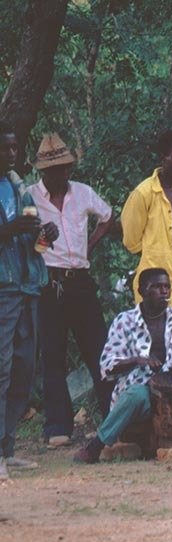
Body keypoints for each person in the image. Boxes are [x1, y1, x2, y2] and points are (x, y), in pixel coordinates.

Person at [27, 133, 115, 445]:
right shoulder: (30, 198)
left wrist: (89, 245)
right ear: (41, 172)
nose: (57, 175)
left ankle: (113, 417)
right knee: (52, 354)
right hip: (49, 282)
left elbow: (108, 216)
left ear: (69, 168)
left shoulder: (83, 193)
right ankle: (58, 427)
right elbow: (28, 249)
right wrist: (42, 240)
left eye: (62, 168)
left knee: (99, 351)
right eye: (50, 170)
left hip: (80, 280)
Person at [73, 268, 172, 463]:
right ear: (142, 291)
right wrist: (137, 360)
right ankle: (96, 446)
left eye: (167, 287)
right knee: (134, 396)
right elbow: (107, 366)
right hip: (143, 393)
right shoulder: (124, 321)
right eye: (157, 287)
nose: (164, 292)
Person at [0, 122, 59, 480]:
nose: (11, 154)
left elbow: (34, 242)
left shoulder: (17, 186)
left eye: (14, 148)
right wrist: (8, 231)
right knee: (1, 368)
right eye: (5, 148)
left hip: (26, 286)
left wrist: (44, 236)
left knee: (22, 369)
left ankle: (7, 449)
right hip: (3, 287)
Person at [121, 130, 172, 308]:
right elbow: (131, 242)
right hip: (156, 286)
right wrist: (158, 255)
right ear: (163, 158)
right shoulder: (143, 193)